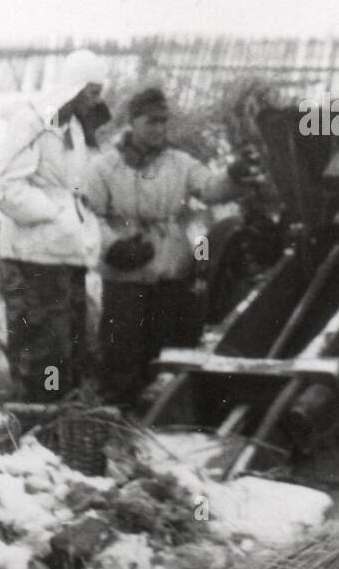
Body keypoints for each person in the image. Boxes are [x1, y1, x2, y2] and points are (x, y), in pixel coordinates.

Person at [83, 87, 254, 411]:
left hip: (170, 268)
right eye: (151, 122)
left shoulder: (179, 163)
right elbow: (87, 214)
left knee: (166, 348)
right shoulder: (104, 166)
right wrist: (113, 247)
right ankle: (116, 417)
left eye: (164, 122)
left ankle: (162, 415)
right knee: (122, 350)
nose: (160, 129)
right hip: (124, 273)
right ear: (132, 122)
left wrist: (234, 175)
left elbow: (210, 188)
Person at [0, 48, 109, 403]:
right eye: (91, 93)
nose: (95, 102)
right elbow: (5, 187)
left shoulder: (72, 128)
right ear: (73, 88)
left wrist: (78, 217)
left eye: (99, 94)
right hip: (32, 260)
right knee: (42, 355)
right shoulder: (30, 123)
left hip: (65, 256)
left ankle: (59, 423)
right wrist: (58, 215)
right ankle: (36, 427)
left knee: (69, 350)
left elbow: (72, 187)